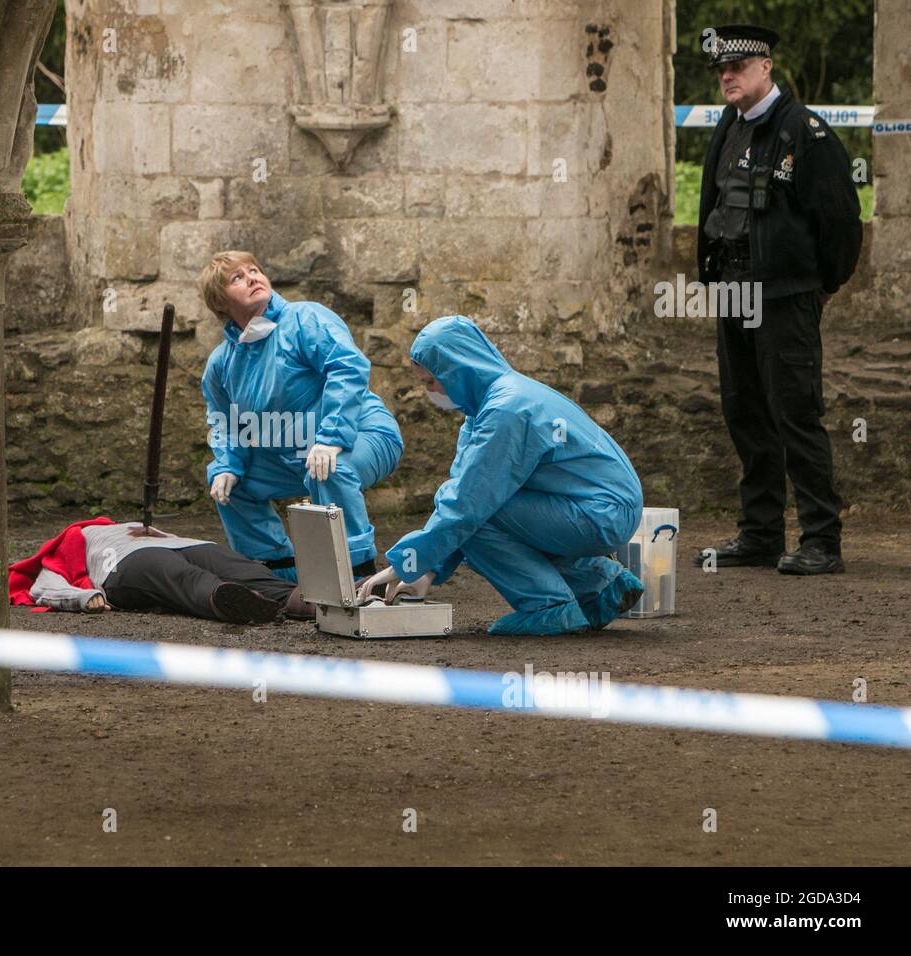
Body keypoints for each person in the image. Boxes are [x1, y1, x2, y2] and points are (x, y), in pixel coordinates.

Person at [694, 24, 862, 575]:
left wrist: (823, 287)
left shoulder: (804, 132)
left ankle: (821, 539)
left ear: (765, 68)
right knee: (745, 412)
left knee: (795, 414)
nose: (727, 76)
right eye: (722, 69)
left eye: (738, 67)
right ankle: (761, 533)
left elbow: (839, 219)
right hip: (735, 294)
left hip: (785, 296)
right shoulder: (729, 125)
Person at [356, 316, 644, 636]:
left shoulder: (505, 410)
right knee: (474, 507)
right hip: (596, 508)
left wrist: (406, 565)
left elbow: (467, 505)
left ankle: (549, 606)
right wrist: (428, 571)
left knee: (481, 514)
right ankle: (601, 585)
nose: (431, 391)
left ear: (458, 369)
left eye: (431, 381)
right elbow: (461, 493)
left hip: (600, 513)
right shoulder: (491, 404)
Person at [199, 251, 402, 582]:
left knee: (331, 471)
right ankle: (279, 573)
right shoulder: (222, 364)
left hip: (364, 433)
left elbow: (347, 368)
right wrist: (226, 465)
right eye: (237, 278)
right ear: (220, 302)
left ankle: (358, 574)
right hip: (292, 456)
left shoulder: (304, 319)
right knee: (228, 485)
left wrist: (332, 438)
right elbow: (224, 422)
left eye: (254, 269)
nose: (252, 278)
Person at [7, 517, 313, 623]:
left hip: (177, 545)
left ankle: (308, 601)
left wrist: (82, 597)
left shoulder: (124, 527)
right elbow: (44, 585)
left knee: (237, 570)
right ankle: (239, 600)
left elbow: (41, 587)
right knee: (185, 578)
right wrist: (83, 598)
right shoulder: (74, 541)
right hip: (128, 563)